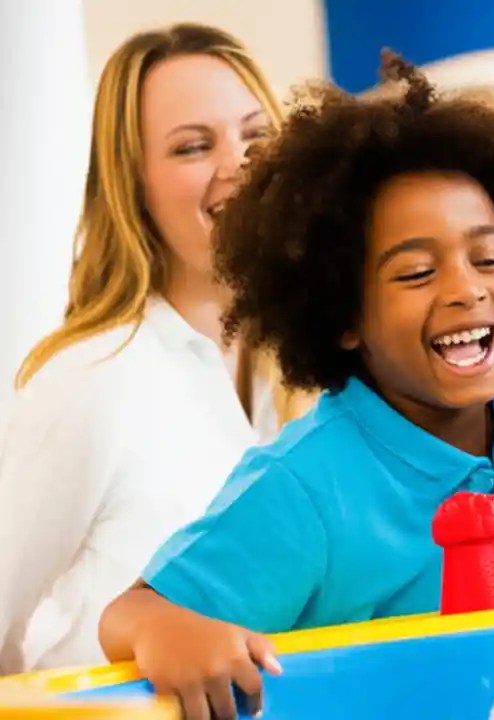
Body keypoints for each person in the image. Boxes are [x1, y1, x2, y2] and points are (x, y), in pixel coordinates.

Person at [98, 53, 494, 719]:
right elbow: (130, 614)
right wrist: (168, 631)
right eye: (417, 273)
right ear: (343, 318)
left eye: (489, 259)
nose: (466, 289)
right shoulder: (303, 483)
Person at [0, 24, 306, 674]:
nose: (238, 166)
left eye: (257, 136)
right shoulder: (91, 378)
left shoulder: (317, 374)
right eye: (193, 146)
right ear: (131, 189)